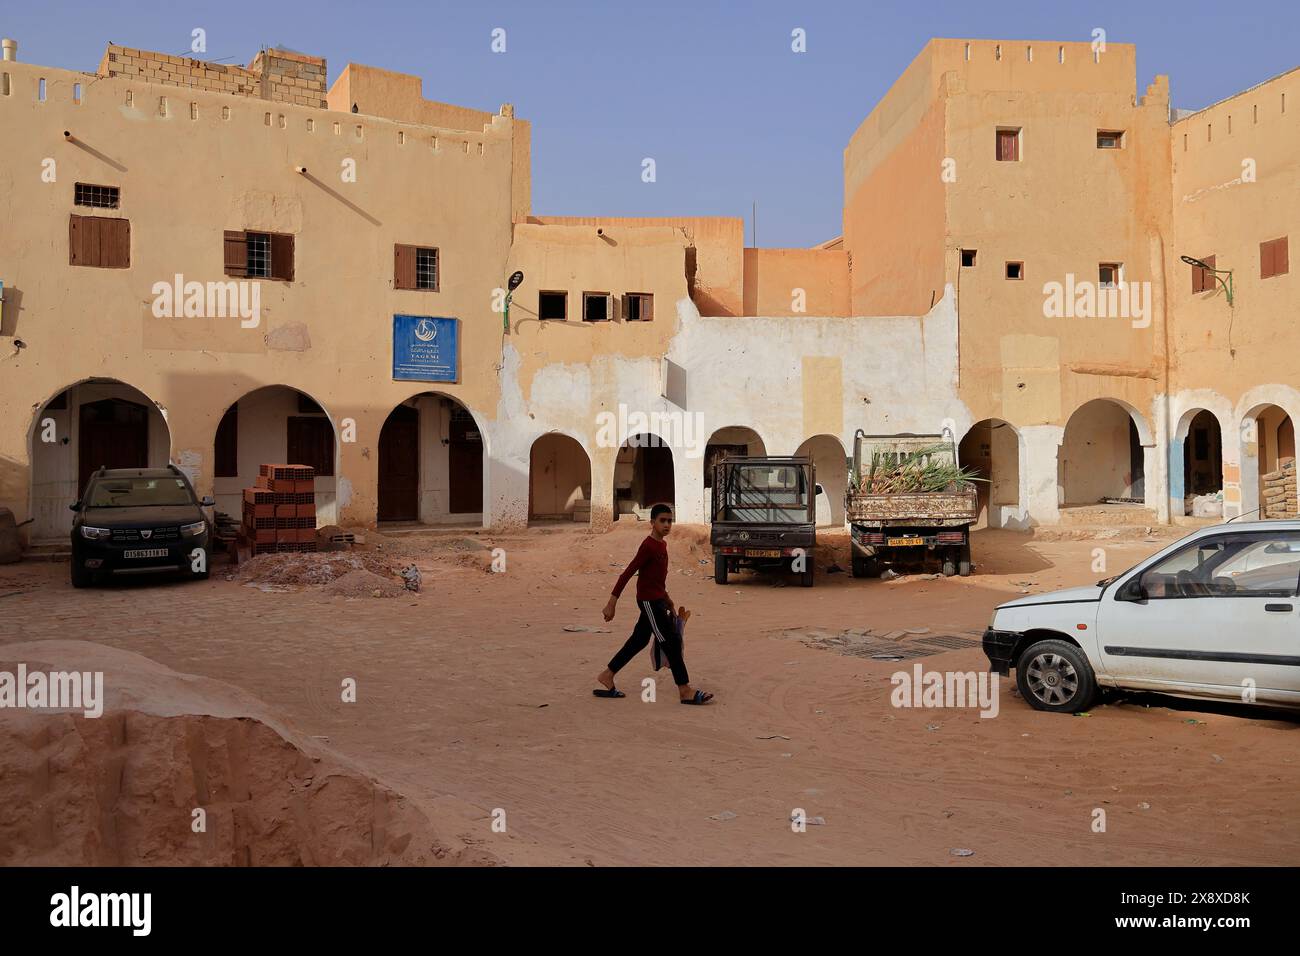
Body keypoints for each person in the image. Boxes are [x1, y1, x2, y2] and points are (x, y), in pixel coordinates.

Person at [593, 504, 714, 705]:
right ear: (652, 523)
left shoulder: (662, 546)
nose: (667, 524)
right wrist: (611, 603)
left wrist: (667, 599)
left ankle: (607, 674)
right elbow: (628, 572)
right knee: (671, 642)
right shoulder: (648, 546)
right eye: (662, 520)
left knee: (639, 640)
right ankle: (684, 690)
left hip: (657, 600)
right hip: (648, 602)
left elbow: (656, 578)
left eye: (669, 520)